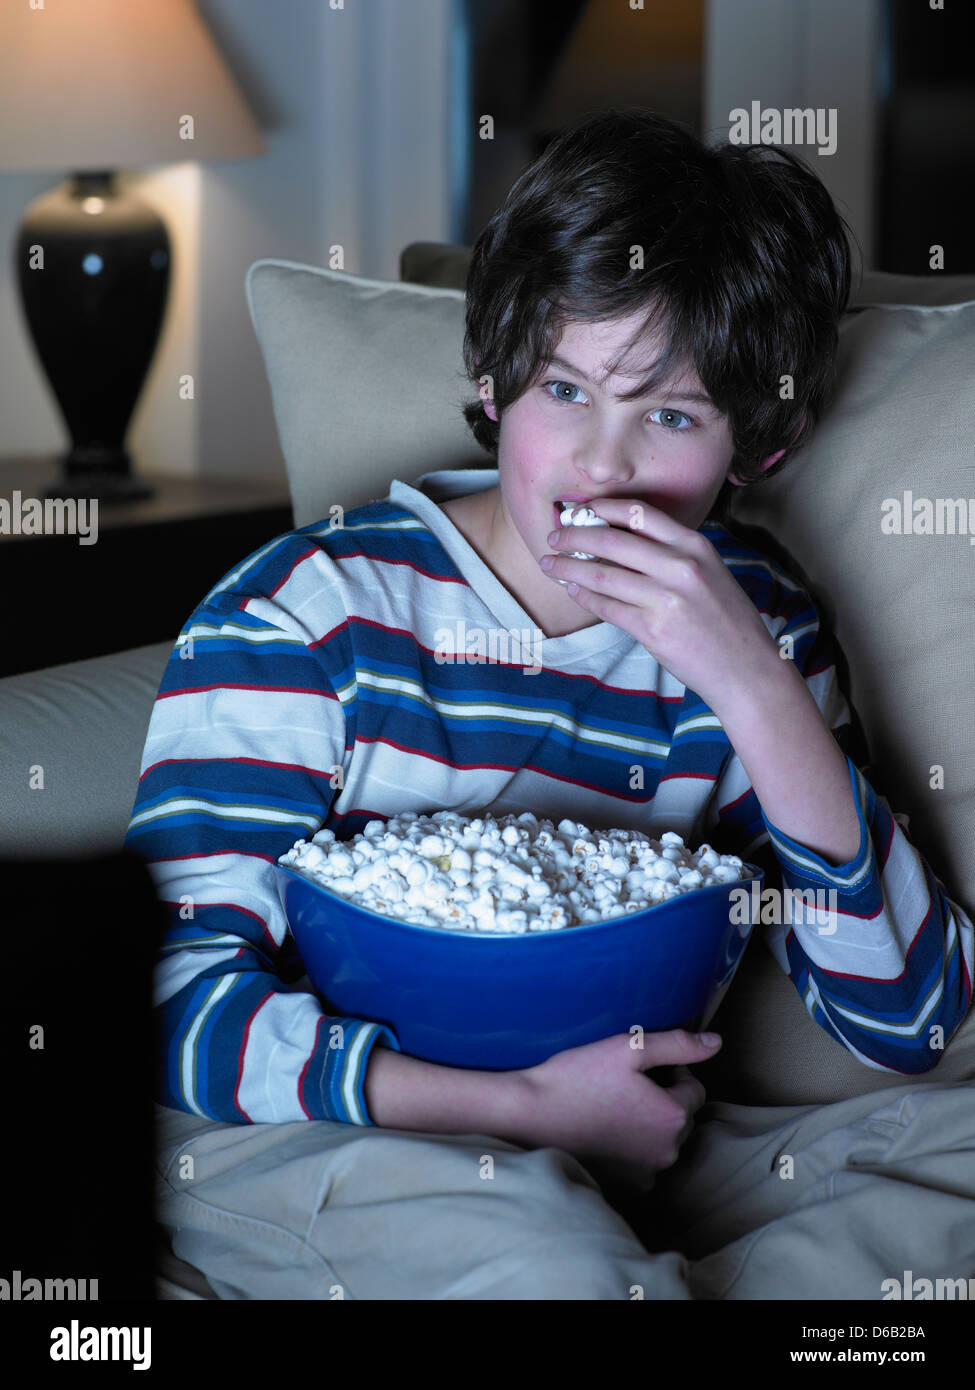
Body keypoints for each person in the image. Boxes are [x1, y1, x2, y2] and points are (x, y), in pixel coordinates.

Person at [132, 108, 974, 1300]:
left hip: (635, 1145)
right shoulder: (311, 615)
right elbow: (170, 996)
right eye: (564, 390)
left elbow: (911, 1024)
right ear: (492, 379)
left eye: (671, 414)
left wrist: (750, 683)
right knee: (556, 1265)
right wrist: (517, 1109)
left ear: (756, 449)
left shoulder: (758, 624)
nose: (602, 466)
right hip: (314, 1132)